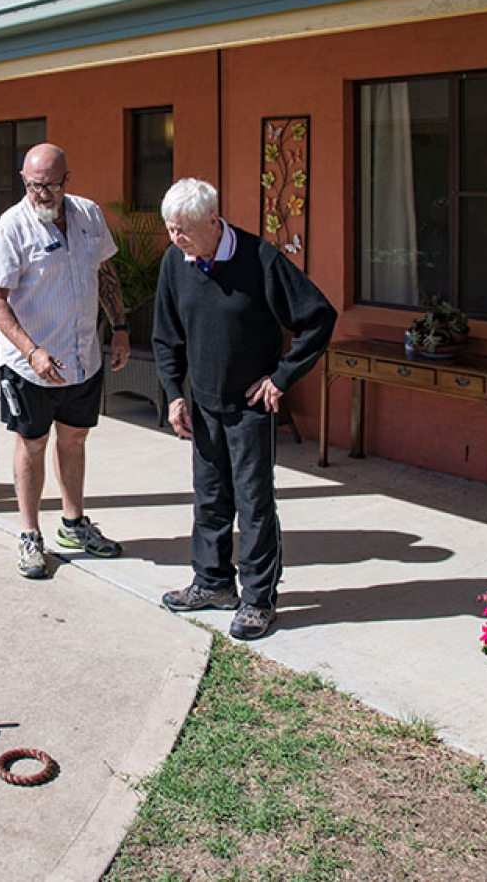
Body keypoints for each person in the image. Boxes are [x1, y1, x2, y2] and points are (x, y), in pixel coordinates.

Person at [152, 178, 336, 640]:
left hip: (251, 405)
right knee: (210, 498)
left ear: (214, 220)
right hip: (204, 404)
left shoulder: (261, 259)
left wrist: (283, 377)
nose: (175, 240)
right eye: (170, 229)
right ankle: (213, 583)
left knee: (254, 504)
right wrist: (175, 393)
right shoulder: (176, 262)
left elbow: (318, 317)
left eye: (184, 230)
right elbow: (166, 335)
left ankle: (257, 600)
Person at [0, 143, 131, 579]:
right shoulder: (11, 227)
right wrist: (31, 350)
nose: (40, 194)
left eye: (48, 185)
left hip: (82, 357)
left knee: (75, 439)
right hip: (30, 365)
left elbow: (105, 272)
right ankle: (29, 535)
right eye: (32, 185)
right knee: (32, 443)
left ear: (67, 180)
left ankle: (73, 522)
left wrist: (119, 327)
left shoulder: (87, 215)